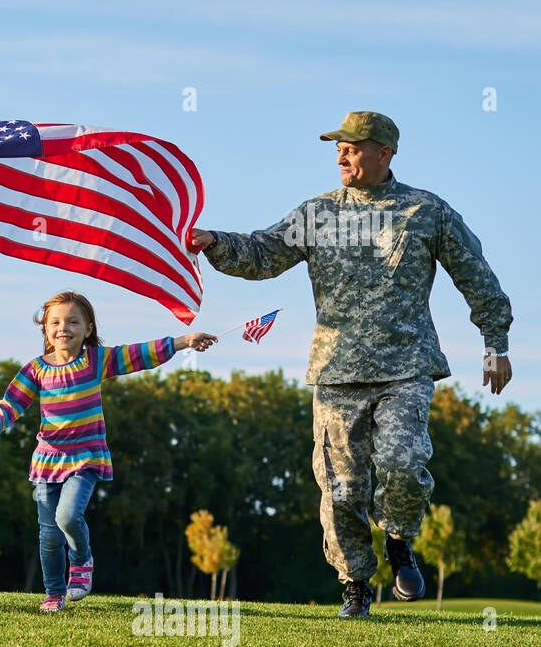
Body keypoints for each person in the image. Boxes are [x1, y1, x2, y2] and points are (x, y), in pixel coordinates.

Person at [188, 111, 514, 618]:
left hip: (406, 365)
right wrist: (216, 242)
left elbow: (477, 276)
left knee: (404, 466)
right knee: (340, 486)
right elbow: (262, 253)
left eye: (353, 146)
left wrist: (495, 343)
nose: (341, 154)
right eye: (338, 146)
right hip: (336, 372)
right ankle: (355, 587)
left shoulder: (427, 211)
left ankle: (400, 541)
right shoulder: (317, 213)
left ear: (385, 153)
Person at [0, 291, 217, 612]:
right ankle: (54, 594)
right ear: (45, 329)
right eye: (55, 322)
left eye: (73, 321)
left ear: (87, 329)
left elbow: (140, 353)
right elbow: (13, 401)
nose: (63, 328)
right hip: (47, 461)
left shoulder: (95, 360)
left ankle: (82, 558)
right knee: (47, 535)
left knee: (67, 516)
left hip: (85, 458)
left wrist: (184, 341)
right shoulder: (36, 370)